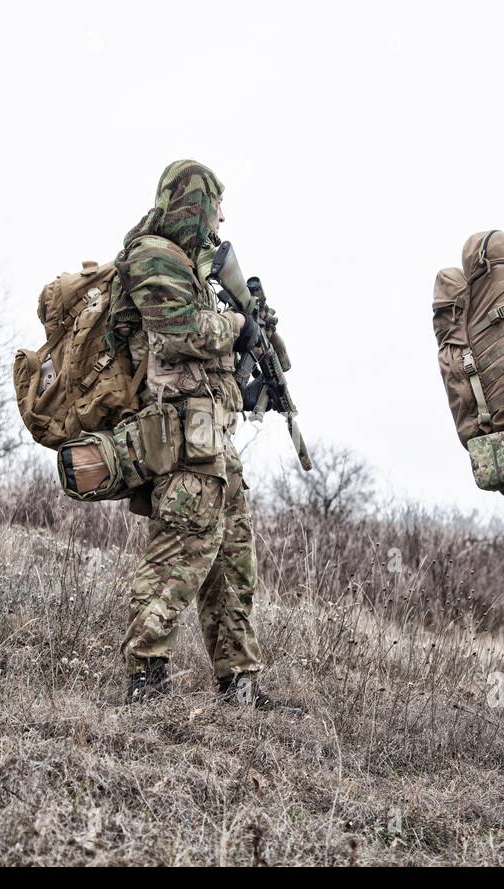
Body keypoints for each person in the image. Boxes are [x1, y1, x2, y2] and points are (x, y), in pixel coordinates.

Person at [109, 160, 292, 711]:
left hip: (214, 435)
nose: (222, 217)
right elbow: (183, 331)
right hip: (181, 434)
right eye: (215, 205)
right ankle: (147, 677)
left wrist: (252, 334)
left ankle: (240, 683)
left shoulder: (197, 268)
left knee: (233, 558)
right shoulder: (152, 256)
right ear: (193, 203)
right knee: (179, 550)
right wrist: (239, 327)